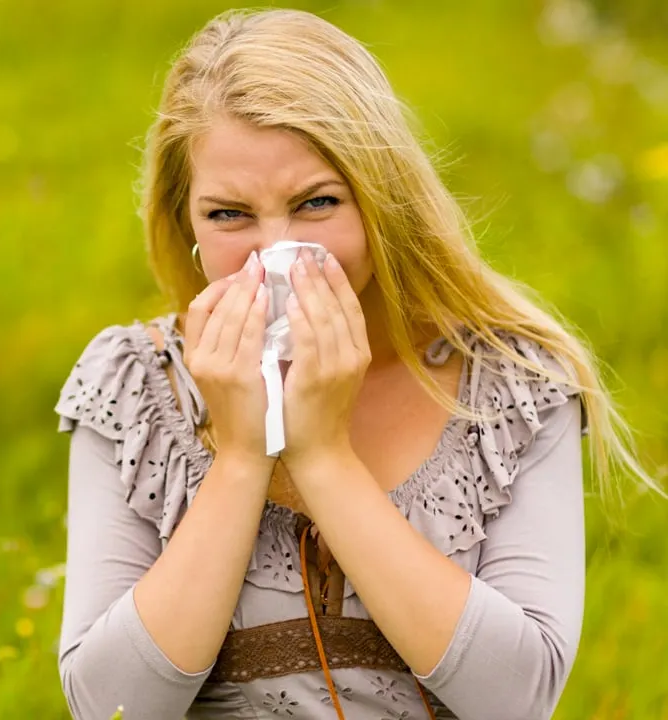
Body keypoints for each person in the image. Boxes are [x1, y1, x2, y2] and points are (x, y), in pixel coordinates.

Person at [52, 8, 658, 720]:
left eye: (316, 203)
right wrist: (243, 457)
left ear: (383, 202)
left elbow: (518, 699)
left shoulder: (510, 385)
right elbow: (110, 707)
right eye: (228, 215)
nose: (273, 254)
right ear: (185, 219)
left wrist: (324, 457)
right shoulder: (134, 384)